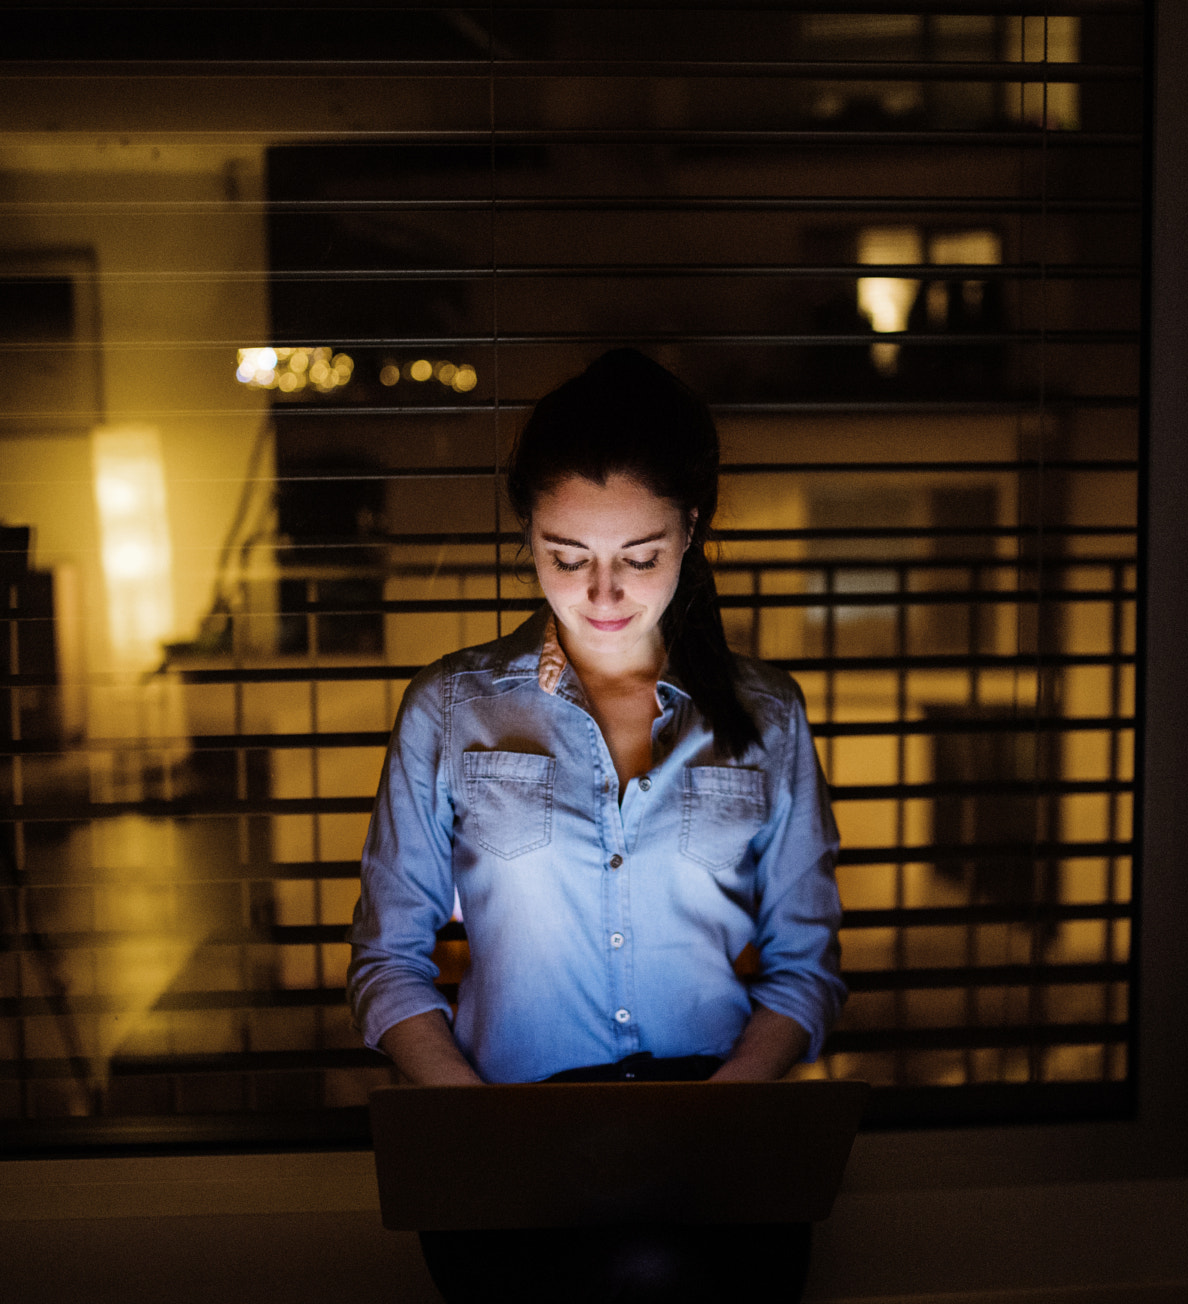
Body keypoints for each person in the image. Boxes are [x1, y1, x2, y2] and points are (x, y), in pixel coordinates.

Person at [346, 348, 846, 1302]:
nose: (602, 596)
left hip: (715, 1151)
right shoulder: (453, 710)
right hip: (507, 1146)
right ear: (528, 536)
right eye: (566, 558)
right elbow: (387, 959)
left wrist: (726, 1114)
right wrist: (473, 1126)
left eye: (640, 558)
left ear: (691, 530)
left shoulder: (767, 719)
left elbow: (808, 969)